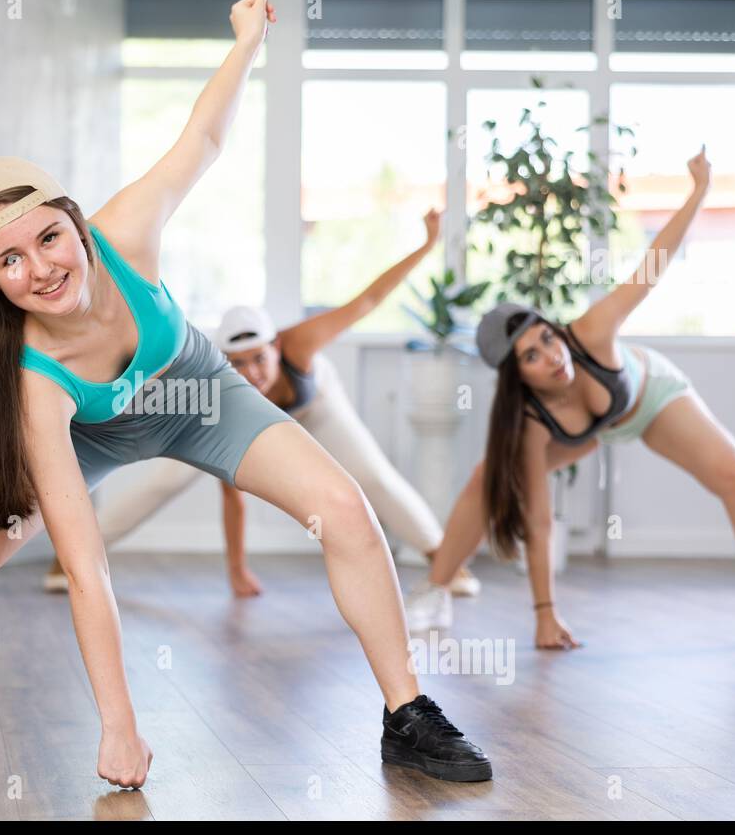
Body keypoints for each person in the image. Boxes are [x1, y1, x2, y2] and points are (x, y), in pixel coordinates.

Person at [0, 0, 492, 787]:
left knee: (345, 508)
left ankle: (405, 713)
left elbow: (202, 137)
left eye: (48, 237)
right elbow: (88, 562)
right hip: (91, 432)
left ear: (74, 222)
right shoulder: (36, 385)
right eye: (10, 261)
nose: (42, 267)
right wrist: (120, 726)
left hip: (198, 397)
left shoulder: (126, 233)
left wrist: (244, 42)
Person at [406, 148, 735, 653]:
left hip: (647, 400)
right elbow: (537, 519)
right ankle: (435, 590)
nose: (552, 357)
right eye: (532, 357)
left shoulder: (591, 333)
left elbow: (652, 267)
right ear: (519, 380)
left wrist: (699, 193)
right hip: (582, 431)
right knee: (489, 478)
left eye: (547, 338)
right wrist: (545, 616)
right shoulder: (531, 421)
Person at [40, 209, 479, 599]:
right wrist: (235, 569)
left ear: (278, 345)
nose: (253, 372)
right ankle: (71, 560)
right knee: (163, 481)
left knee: (371, 476)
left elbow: (368, 300)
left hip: (315, 404)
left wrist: (427, 246)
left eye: (261, 359)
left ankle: (446, 561)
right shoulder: (218, 387)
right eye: (240, 363)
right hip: (237, 411)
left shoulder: (302, 345)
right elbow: (234, 491)